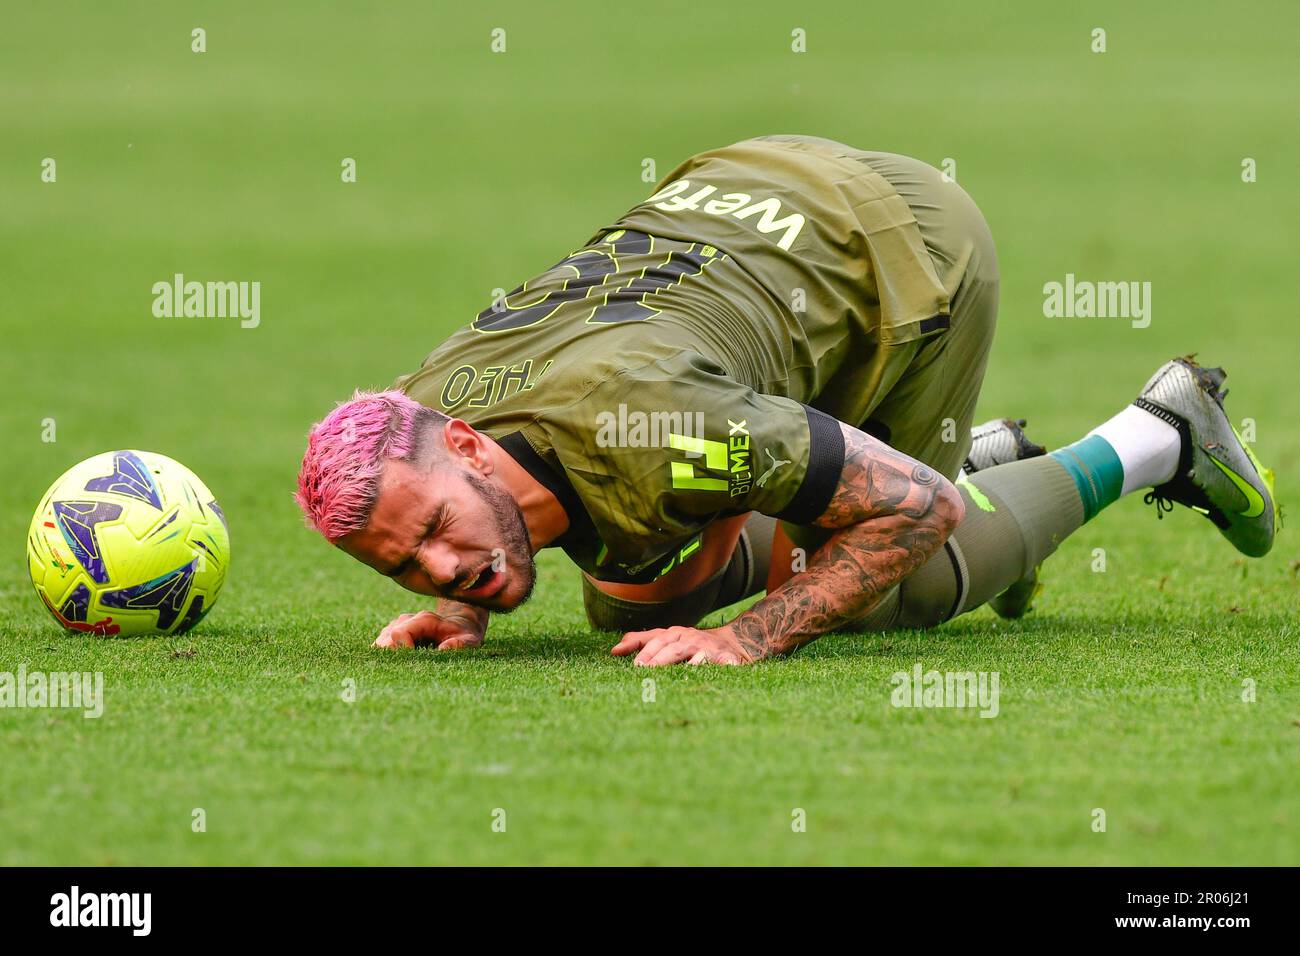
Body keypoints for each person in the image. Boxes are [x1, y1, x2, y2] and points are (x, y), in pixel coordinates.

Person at [295, 136, 1277, 666]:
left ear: (465, 447)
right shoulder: (417, 410)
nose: (433, 563)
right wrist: (464, 606)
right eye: (400, 561)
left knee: (903, 571)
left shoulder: (664, 434)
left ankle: (1157, 433)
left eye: (429, 530)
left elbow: (912, 513)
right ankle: (976, 459)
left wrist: (747, 637)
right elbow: (445, 496)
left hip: (901, 251)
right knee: (629, 596)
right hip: (737, 186)